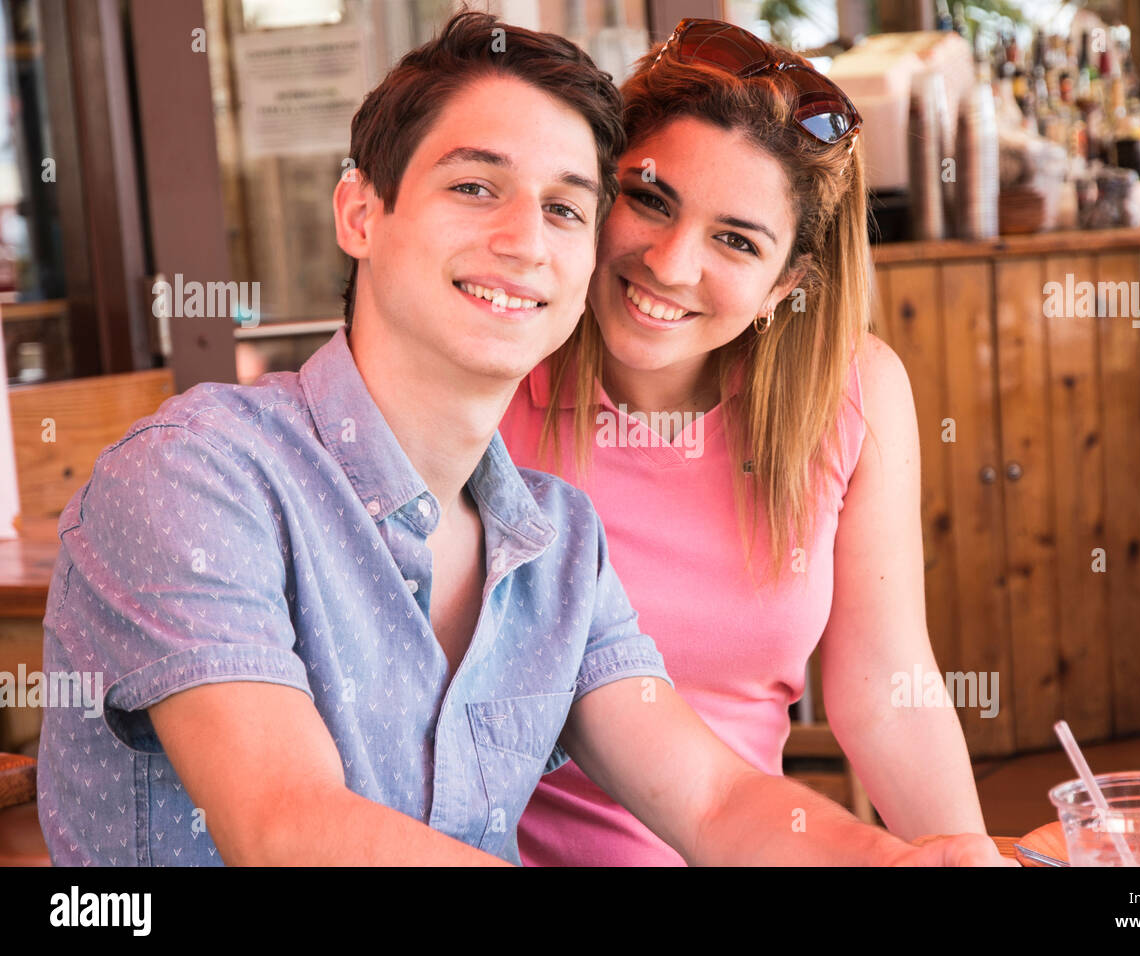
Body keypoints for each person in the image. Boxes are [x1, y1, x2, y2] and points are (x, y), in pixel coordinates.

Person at [35, 11, 1007, 867]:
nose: (526, 241)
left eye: (562, 208)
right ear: (360, 209)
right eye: (473, 186)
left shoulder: (552, 541)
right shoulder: (197, 474)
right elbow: (286, 829)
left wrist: (914, 859)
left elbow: (714, 799)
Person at [500, 18, 990, 866]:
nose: (671, 263)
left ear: (784, 285)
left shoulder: (855, 393)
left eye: (736, 240)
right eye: (649, 198)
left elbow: (884, 690)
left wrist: (959, 850)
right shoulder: (497, 371)